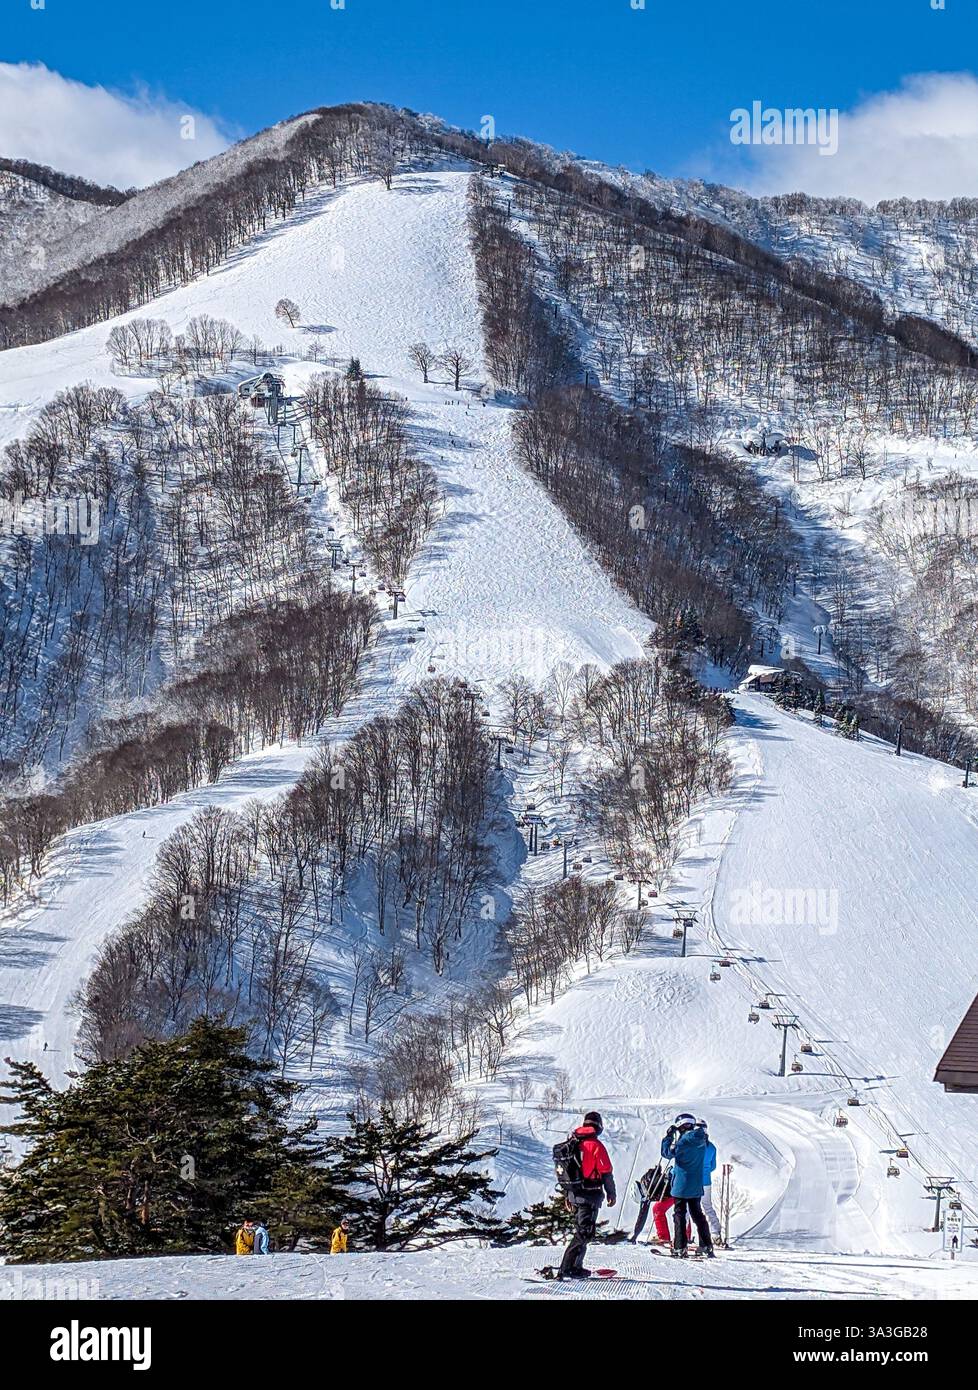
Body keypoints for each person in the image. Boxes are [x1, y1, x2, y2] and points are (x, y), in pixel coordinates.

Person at [557, 1111, 616, 1280]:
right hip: (590, 1194)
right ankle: (566, 1268)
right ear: (598, 1127)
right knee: (584, 1233)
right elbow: (606, 1172)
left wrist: (567, 1195)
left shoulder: (572, 1142)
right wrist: (611, 1193)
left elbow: (567, 1173)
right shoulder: (595, 1145)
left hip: (574, 1194)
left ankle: (575, 1266)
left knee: (583, 1231)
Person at [661, 1113, 714, 1259]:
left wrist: (668, 1137)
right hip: (696, 1184)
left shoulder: (683, 1142)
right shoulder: (703, 1140)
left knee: (680, 1215)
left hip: (681, 1185)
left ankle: (680, 1247)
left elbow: (666, 1153)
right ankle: (706, 1245)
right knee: (698, 1214)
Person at [697, 1119, 722, 1245]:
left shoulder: (693, 1145)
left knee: (687, 1206)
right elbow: (713, 1167)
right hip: (706, 1181)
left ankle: (684, 1235)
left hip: (692, 1180)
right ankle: (715, 1233)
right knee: (707, 1206)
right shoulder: (711, 1147)